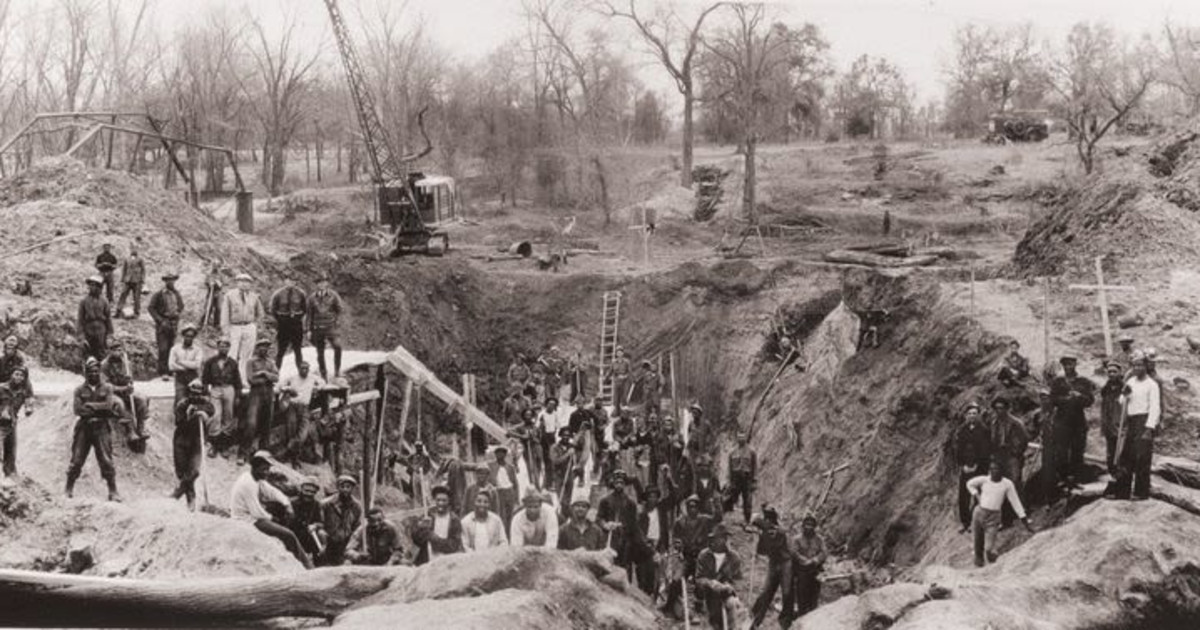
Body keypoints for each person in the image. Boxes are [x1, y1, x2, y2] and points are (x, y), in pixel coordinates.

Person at [230, 450, 312, 568]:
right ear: (255, 467)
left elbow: (272, 492)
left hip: (253, 515)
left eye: (268, 469)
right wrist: (273, 519)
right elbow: (256, 512)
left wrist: (287, 504)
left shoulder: (256, 478)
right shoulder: (247, 483)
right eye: (264, 469)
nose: (267, 472)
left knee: (280, 510)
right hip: (246, 519)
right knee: (289, 534)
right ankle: (307, 565)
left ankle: (297, 556)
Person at [66, 359, 122, 501]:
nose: (94, 374)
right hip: (84, 428)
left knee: (106, 460)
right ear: (86, 373)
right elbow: (78, 410)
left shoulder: (107, 388)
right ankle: (68, 488)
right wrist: (99, 408)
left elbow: (109, 406)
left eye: (96, 371)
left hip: (102, 427)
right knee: (76, 460)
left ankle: (113, 491)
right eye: (91, 371)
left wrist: (91, 405)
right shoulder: (79, 390)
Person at [1113, 353, 1161, 501]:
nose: (1137, 368)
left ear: (1146, 366)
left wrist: (1149, 428)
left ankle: (1141, 492)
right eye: (1135, 365)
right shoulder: (1131, 381)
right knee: (1126, 456)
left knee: (1142, 458)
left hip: (1145, 421)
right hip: (1132, 421)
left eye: (1140, 365)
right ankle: (1122, 492)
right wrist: (1124, 394)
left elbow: (1155, 407)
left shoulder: (1152, 385)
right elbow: (1122, 401)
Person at [967, 461, 1034, 566]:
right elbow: (969, 483)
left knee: (989, 547)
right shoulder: (984, 480)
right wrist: (976, 495)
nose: (994, 472)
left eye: (997, 469)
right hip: (979, 513)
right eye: (992, 469)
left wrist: (1025, 521)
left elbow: (1015, 502)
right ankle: (979, 565)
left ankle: (993, 559)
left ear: (1002, 471)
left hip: (993, 518)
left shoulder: (1007, 484)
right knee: (977, 542)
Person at [1050, 355, 1095, 486]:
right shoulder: (1058, 382)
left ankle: (1076, 479)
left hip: (1078, 422)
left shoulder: (1083, 382)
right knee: (1061, 452)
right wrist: (1066, 399)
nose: (1068, 367)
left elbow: (1090, 401)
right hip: (1062, 421)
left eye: (1070, 364)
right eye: (1065, 365)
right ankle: (1063, 479)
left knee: (1077, 451)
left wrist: (1079, 396)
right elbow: (1053, 399)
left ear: (1075, 365)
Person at [171, 380, 214, 510]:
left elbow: (211, 410)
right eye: (192, 394)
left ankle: (178, 492)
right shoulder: (182, 405)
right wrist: (188, 415)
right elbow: (178, 422)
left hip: (197, 441)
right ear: (188, 393)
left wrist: (203, 413)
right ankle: (191, 498)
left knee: (194, 471)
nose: (195, 397)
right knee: (182, 473)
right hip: (181, 440)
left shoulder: (205, 404)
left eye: (198, 394)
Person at [598, 469, 648, 578]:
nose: (619, 485)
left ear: (625, 484)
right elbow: (599, 518)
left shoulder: (630, 503)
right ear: (613, 483)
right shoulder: (605, 501)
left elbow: (634, 525)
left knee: (625, 569)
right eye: (617, 482)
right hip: (610, 539)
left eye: (621, 482)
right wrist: (605, 525)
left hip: (626, 541)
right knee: (609, 567)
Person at [749, 506, 792, 630]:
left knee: (786, 592)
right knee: (766, 591)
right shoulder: (765, 531)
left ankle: (786, 623)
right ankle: (755, 618)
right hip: (773, 563)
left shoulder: (780, 532)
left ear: (774, 520)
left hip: (785, 563)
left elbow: (775, 541)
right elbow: (762, 551)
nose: (768, 521)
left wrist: (759, 526)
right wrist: (759, 536)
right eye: (766, 518)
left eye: (770, 519)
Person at [989, 397, 1029, 526]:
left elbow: (1024, 439)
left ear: (1007, 408)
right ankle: (1007, 519)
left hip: (1012, 457)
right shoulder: (994, 423)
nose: (999, 411)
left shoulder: (1015, 423)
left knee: (1015, 483)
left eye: (1002, 408)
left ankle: (1022, 513)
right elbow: (992, 440)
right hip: (999, 457)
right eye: (997, 408)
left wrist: (1016, 453)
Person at [695, 523, 743, 630]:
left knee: (733, 605)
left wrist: (729, 587)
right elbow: (699, 579)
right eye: (713, 538)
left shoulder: (734, 558)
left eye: (719, 538)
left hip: (727, 595)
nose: (714, 541)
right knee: (711, 623)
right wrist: (712, 584)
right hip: (707, 595)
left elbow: (738, 581)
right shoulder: (704, 555)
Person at [201, 339, 242, 457]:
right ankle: (214, 445)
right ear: (217, 347)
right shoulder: (210, 362)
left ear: (229, 348)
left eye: (226, 346)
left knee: (228, 416)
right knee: (215, 415)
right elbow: (205, 379)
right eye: (221, 346)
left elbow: (237, 381)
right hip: (215, 389)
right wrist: (205, 393)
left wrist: (238, 396)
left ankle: (224, 446)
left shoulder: (233, 363)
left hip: (229, 389)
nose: (223, 348)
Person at [954, 402, 991, 533]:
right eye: (969, 414)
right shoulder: (961, 430)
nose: (972, 416)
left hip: (980, 468)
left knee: (978, 495)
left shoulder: (984, 430)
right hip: (966, 468)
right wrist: (962, 465)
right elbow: (958, 450)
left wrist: (977, 465)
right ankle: (965, 523)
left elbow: (985, 450)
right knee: (963, 496)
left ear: (979, 415)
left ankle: (977, 522)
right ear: (965, 415)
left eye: (974, 414)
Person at [221, 273, 264, 386]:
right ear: (237, 282)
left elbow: (260, 313)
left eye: (247, 282)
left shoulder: (254, 296)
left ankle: (243, 379)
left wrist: (257, 326)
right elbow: (224, 314)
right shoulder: (229, 295)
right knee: (232, 354)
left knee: (247, 355)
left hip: (249, 326)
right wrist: (226, 330)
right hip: (235, 326)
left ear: (250, 284)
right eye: (241, 281)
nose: (244, 284)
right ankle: (229, 378)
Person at [242, 339, 279, 463]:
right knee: (251, 424)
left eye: (266, 347)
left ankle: (262, 454)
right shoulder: (251, 362)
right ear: (257, 348)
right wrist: (268, 379)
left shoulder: (271, 362)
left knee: (266, 425)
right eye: (261, 347)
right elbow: (251, 379)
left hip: (269, 394)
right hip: (255, 394)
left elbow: (277, 378)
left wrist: (264, 373)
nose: (264, 349)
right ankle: (243, 453)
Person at [787, 515, 827, 620]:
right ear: (803, 526)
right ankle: (801, 617)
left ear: (815, 526)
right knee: (802, 596)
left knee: (814, 597)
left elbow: (824, 553)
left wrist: (815, 560)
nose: (809, 527)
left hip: (815, 571)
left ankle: (812, 619)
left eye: (811, 525)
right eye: (807, 524)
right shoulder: (797, 539)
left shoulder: (819, 539)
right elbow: (794, 552)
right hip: (802, 572)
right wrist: (804, 561)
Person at [413, 486, 464, 564]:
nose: (441, 503)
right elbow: (416, 540)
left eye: (444, 500)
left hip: (447, 562)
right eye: (438, 500)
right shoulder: (428, 516)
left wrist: (433, 538)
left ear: (449, 501)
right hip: (428, 560)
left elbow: (453, 546)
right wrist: (420, 528)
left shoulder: (454, 520)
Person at [148, 273, 185, 379]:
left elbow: (181, 305)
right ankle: (162, 371)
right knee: (163, 348)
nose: (171, 282)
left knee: (171, 348)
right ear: (165, 282)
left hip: (173, 323)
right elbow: (151, 308)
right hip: (163, 324)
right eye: (168, 280)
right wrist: (160, 320)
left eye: (172, 280)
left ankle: (170, 370)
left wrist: (177, 313)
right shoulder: (159, 294)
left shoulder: (176, 293)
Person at [307, 274, 344, 380]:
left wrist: (336, 322)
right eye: (319, 282)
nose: (322, 284)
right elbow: (309, 315)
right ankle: (323, 374)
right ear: (316, 284)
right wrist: (308, 330)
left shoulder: (333, 295)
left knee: (337, 346)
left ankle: (337, 371)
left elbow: (340, 310)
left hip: (330, 327)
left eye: (324, 282)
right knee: (320, 352)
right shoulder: (312, 298)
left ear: (327, 283)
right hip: (317, 328)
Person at [321, 475, 363, 566]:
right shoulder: (326, 504)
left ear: (352, 489)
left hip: (346, 542)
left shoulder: (357, 506)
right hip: (329, 540)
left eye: (348, 487)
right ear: (338, 487)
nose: (345, 489)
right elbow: (320, 522)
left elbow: (357, 525)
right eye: (342, 486)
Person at [269, 274, 307, 371]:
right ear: (285, 281)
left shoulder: (301, 293)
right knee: (281, 350)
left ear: (296, 282)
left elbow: (305, 309)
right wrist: (281, 319)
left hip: (296, 324)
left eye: (293, 281)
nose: (291, 283)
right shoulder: (278, 294)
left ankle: (301, 373)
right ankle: (276, 374)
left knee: (298, 350)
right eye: (289, 280)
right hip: (283, 325)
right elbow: (273, 309)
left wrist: (297, 317)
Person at [0, 366, 33, 477]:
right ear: (11, 375)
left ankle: (9, 474)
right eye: (16, 374)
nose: (19, 377)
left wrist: (29, 408)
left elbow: (29, 401)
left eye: (21, 375)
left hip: (11, 423)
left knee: (10, 451)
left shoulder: (23, 391)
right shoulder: (2, 388)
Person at [634, 486, 667, 595]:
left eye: (655, 497)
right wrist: (650, 549)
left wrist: (668, 479)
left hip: (657, 545)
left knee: (655, 578)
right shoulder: (641, 513)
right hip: (644, 548)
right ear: (646, 498)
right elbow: (639, 535)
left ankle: (653, 598)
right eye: (650, 497)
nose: (652, 500)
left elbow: (674, 496)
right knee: (643, 577)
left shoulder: (661, 511)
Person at [724, 430, 758, 526]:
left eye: (743, 437)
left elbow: (754, 467)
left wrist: (754, 481)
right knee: (730, 498)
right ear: (737, 438)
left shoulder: (751, 452)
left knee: (747, 501)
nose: (741, 439)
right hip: (735, 479)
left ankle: (747, 521)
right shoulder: (732, 452)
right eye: (739, 437)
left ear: (746, 438)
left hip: (747, 479)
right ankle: (728, 519)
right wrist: (729, 481)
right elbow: (730, 468)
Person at [77, 276, 113, 362]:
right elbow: (80, 319)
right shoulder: (84, 301)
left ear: (99, 287)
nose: (91, 287)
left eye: (94, 285)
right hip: (89, 329)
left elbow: (108, 318)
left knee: (102, 353)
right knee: (89, 354)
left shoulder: (104, 301)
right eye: (90, 285)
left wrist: (110, 334)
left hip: (101, 330)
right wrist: (81, 336)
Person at [1099, 361, 1126, 475]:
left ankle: (1120, 479)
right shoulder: (1106, 388)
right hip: (1108, 426)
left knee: (1120, 454)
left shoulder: (1125, 388)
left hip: (1120, 426)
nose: (1111, 374)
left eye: (1114, 372)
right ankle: (1112, 476)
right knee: (1110, 453)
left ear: (1120, 373)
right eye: (1109, 372)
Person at [291, 477, 326, 560]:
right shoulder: (292, 503)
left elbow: (321, 522)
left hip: (309, 535)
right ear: (301, 489)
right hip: (294, 534)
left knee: (322, 535)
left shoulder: (316, 505)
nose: (309, 494)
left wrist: (315, 525)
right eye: (306, 491)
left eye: (312, 492)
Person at [488, 445, 520, 534]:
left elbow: (515, 483)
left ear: (505, 454)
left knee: (510, 514)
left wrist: (517, 498)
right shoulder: (491, 466)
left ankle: (509, 533)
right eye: (498, 453)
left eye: (502, 453)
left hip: (509, 491)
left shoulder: (510, 467)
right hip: (498, 491)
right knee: (500, 514)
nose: (500, 455)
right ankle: (500, 534)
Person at [168, 323, 203, 403]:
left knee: (194, 401)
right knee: (180, 400)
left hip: (193, 378)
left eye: (191, 336)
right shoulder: (175, 349)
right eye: (187, 335)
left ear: (194, 337)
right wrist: (186, 367)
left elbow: (197, 365)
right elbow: (171, 366)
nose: (189, 338)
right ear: (183, 336)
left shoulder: (197, 350)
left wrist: (180, 362)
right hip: (180, 378)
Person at [115, 247, 145, 319]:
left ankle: (136, 312)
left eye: (135, 250)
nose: (134, 251)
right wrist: (122, 279)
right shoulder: (127, 259)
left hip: (137, 281)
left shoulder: (140, 259)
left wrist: (142, 280)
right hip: (127, 280)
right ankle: (118, 311)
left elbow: (143, 270)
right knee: (123, 295)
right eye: (132, 250)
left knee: (136, 297)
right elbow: (124, 269)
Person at [203, 263, 223, 329]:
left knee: (218, 308)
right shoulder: (209, 274)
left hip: (218, 294)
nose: (215, 267)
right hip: (210, 293)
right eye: (214, 266)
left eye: (217, 266)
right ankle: (204, 322)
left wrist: (217, 282)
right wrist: (209, 283)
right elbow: (205, 282)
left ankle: (216, 324)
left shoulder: (220, 275)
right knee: (208, 308)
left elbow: (222, 284)